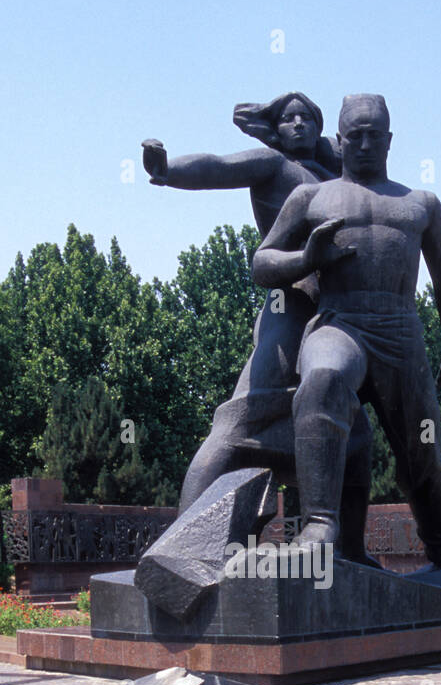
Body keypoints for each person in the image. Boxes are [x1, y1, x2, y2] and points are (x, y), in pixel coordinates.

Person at [141, 92, 377, 564]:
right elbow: (217, 167)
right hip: (287, 307)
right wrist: (168, 170)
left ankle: (349, 548)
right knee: (241, 421)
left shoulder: (335, 176)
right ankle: (180, 544)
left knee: (356, 435)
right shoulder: (273, 165)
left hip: (332, 317)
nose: (297, 125)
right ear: (274, 128)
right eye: (287, 118)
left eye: (307, 118)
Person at [252, 93, 441, 577]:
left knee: (423, 449)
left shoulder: (421, 203)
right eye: (354, 134)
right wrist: (306, 261)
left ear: (391, 140)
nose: (365, 142)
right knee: (324, 379)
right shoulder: (309, 198)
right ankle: (318, 526)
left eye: (375, 133)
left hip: (401, 332)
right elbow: (262, 261)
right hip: (340, 321)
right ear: (339, 140)